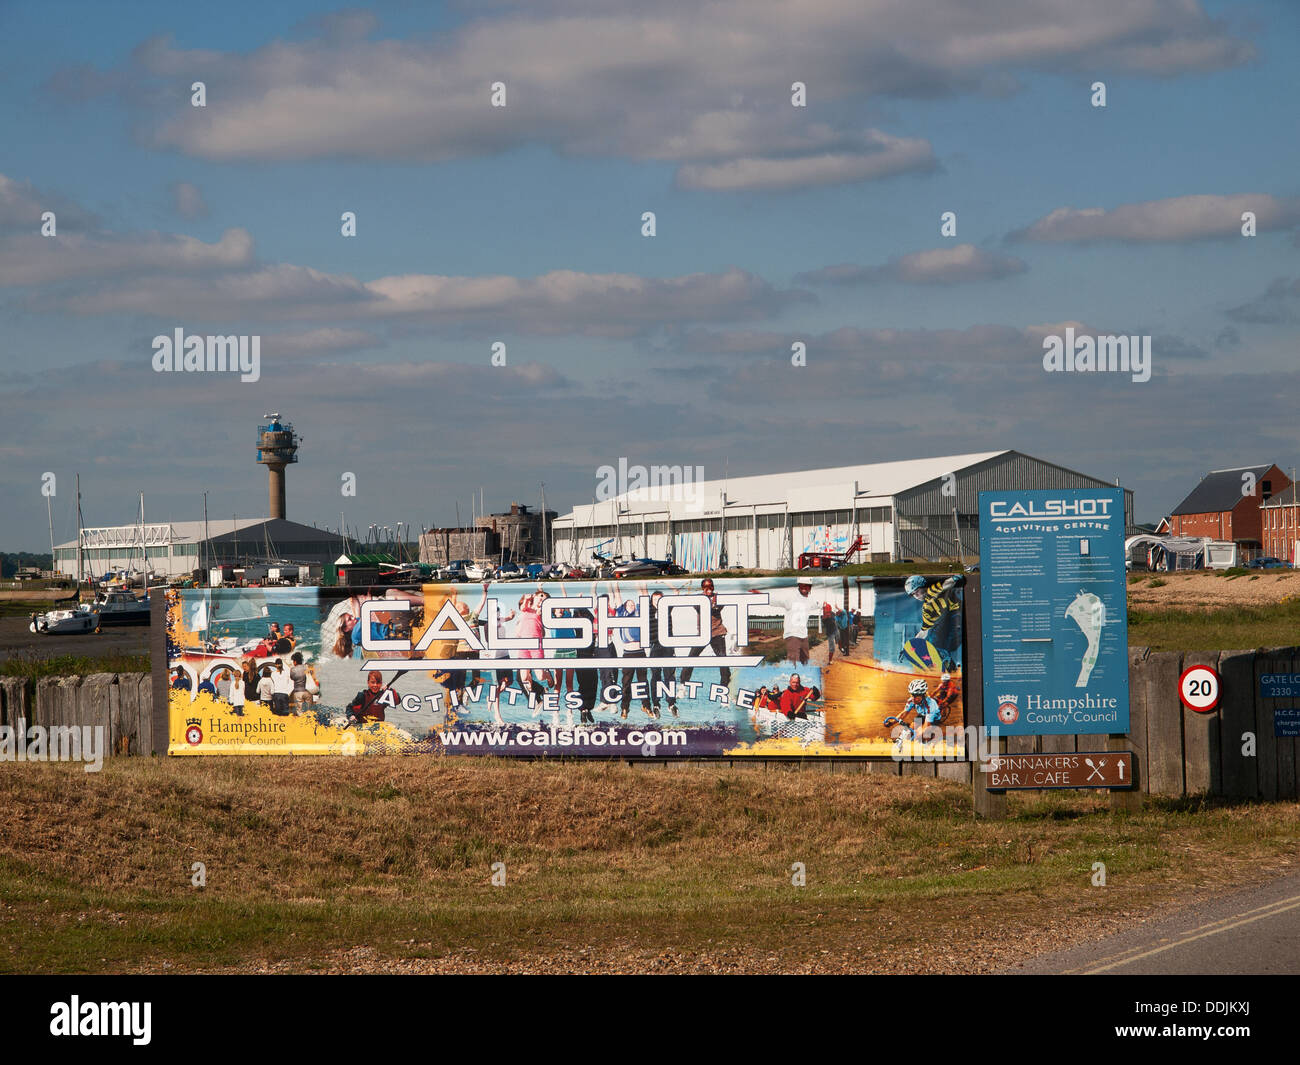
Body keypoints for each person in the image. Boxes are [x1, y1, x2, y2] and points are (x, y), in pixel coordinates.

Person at [903, 574, 964, 671]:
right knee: (932, 642)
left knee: (934, 638)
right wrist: (910, 646)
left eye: (917, 591)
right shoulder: (926, 609)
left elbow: (946, 584)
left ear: (923, 586)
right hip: (949, 627)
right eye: (913, 594)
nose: (916, 596)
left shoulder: (932, 590)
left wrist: (954, 578)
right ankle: (948, 666)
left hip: (956, 616)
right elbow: (924, 630)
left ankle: (945, 659)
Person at [753, 579, 817, 665]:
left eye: (807, 586)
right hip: (792, 634)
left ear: (810, 588)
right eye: (802, 585)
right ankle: (792, 677)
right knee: (793, 662)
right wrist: (761, 595)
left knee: (805, 661)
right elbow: (774, 600)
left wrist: (824, 605)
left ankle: (802, 677)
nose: (804, 588)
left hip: (803, 635)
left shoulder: (810, 600)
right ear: (799, 586)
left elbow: (817, 604)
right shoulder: (791, 598)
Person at [680, 578, 731, 687]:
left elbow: (716, 609)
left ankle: (725, 685)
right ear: (703, 588)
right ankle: (683, 683)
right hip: (703, 633)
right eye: (706, 587)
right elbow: (699, 608)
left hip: (717, 632)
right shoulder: (699, 598)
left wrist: (713, 602)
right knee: (691, 658)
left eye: (711, 586)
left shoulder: (719, 597)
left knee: (723, 659)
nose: (709, 589)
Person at [647, 590, 678, 717]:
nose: (657, 602)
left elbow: (676, 593)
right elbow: (642, 590)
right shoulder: (648, 611)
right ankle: (656, 703)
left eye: (660, 599)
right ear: (651, 601)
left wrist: (666, 582)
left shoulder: (667, 609)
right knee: (655, 675)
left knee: (669, 675)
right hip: (655, 646)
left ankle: (671, 703)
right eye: (655, 600)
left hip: (668, 646)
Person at [892, 678, 943, 747]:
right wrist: (892, 722)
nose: (913, 698)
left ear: (923, 695)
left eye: (916, 696)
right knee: (910, 732)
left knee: (923, 735)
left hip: (933, 718)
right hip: (922, 715)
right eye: (912, 695)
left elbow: (926, 726)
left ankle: (933, 739)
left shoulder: (930, 705)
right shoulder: (911, 700)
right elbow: (903, 713)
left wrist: (918, 734)